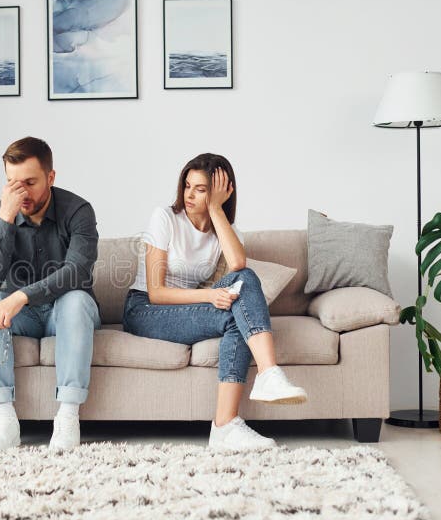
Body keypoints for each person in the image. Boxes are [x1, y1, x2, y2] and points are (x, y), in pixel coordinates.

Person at [122, 153, 308, 450]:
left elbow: (237, 264)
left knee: (245, 280)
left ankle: (252, 394)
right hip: (145, 309)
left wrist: (217, 212)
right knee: (238, 313)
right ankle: (232, 419)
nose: (190, 195)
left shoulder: (226, 230)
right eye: (187, 186)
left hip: (187, 308)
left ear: (220, 193)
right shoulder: (165, 218)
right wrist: (210, 296)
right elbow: (156, 292)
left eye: (201, 189)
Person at [0, 136, 100, 451]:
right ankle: (4, 418)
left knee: (77, 298)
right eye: (13, 183)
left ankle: (68, 416)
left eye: (30, 182)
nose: (21, 192)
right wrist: (5, 220)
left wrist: (20, 296)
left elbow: (76, 273)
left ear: (50, 178)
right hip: (23, 317)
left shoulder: (78, 211)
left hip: (65, 312)